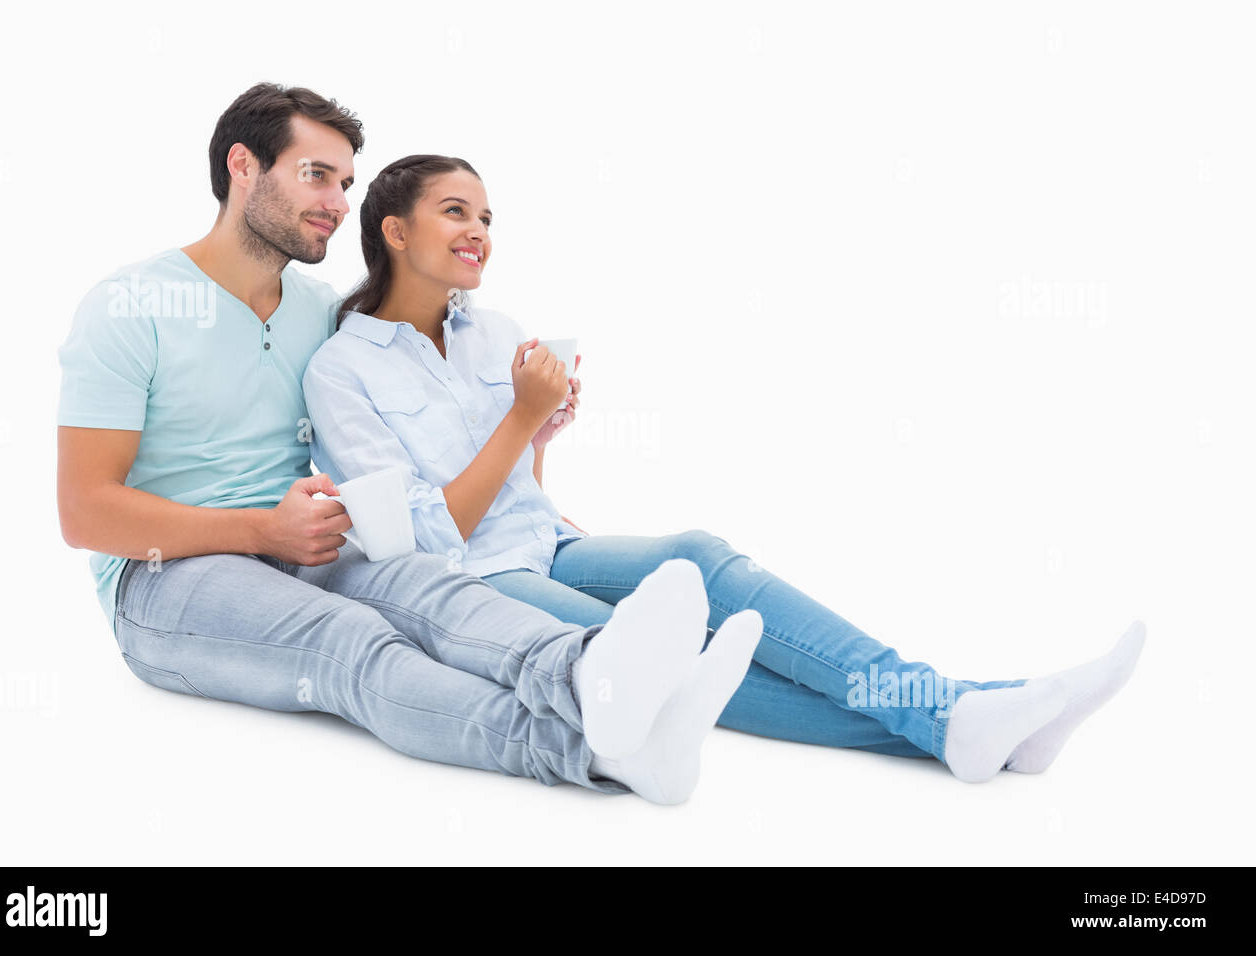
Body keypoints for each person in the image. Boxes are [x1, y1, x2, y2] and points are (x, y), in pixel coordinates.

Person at [301, 154, 1148, 783]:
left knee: (700, 555)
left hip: (546, 541)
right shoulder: (341, 369)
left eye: (488, 216)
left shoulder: (495, 331)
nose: (480, 232)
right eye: (457, 212)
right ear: (396, 230)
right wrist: (520, 415)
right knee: (675, 654)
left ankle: (960, 714)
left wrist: (540, 440)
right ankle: (962, 714)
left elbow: (517, 492)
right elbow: (425, 537)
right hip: (475, 583)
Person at [55, 82, 767, 806]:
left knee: (431, 585)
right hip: (169, 578)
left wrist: (534, 466)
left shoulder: (317, 312)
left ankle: (589, 677)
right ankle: (598, 754)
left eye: (345, 182)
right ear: (243, 166)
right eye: (315, 175)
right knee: (348, 642)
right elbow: (84, 514)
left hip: (300, 540)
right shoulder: (131, 306)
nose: (337, 201)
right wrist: (259, 528)